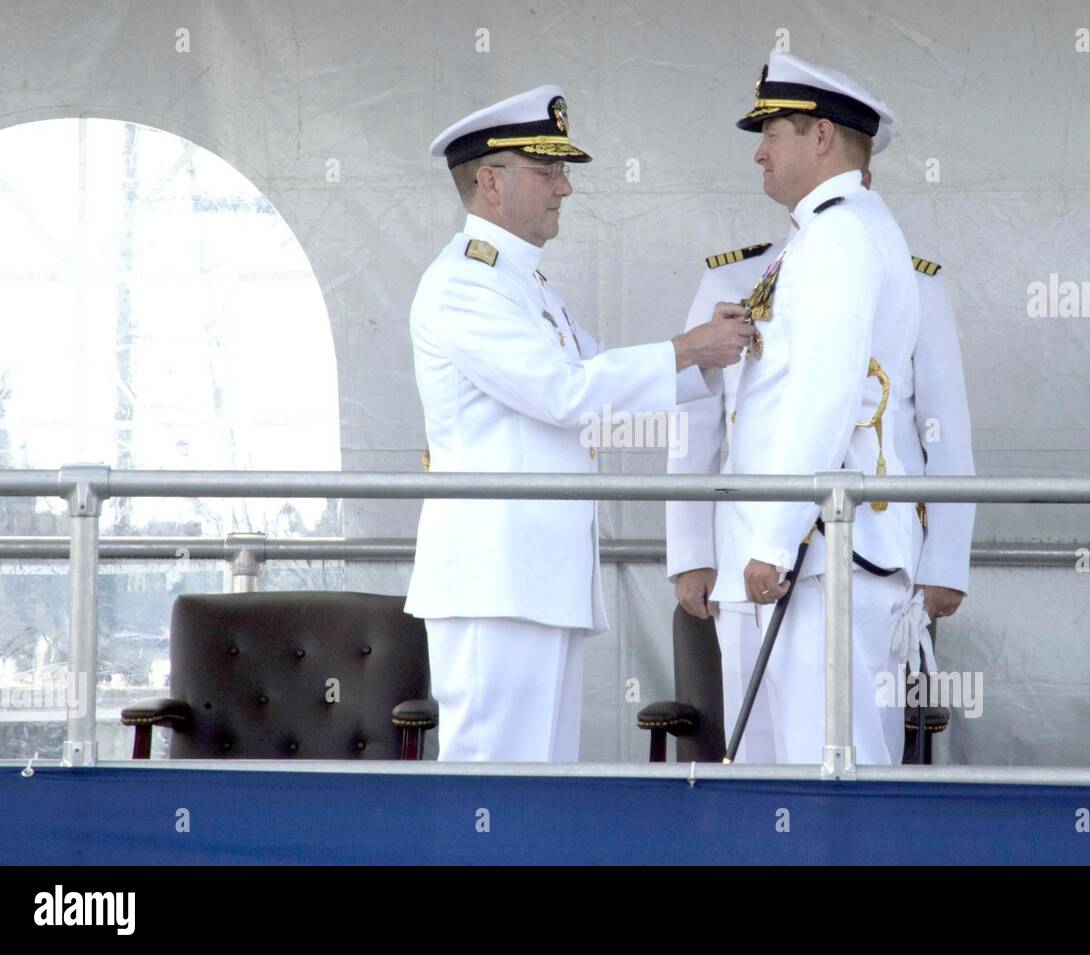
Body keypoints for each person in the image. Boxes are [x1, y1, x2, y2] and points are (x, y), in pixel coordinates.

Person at [406, 84, 753, 761]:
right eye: (548, 171)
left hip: (534, 578)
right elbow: (565, 394)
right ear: (490, 182)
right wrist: (687, 349)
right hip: (495, 582)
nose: (564, 188)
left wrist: (707, 356)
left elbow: (596, 370)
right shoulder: (465, 284)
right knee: (494, 782)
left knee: (539, 785)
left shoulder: (523, 283)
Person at [684, 51, 922, 765]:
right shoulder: (822, 233)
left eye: (773, 133)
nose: (759, 152)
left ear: (820, 136)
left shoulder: (840, 234)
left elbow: (824, 394)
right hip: (808, 556)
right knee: (780, 776)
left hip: (818, 555)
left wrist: (775, 538)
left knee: (827, 773)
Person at [669, 238, 974, 763]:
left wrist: (946, 561)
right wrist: (691, 551)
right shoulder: (735, 278)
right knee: (754, 748)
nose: (764, 153)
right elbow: (694, 428)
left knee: (855, 743)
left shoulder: (911, 280)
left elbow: (945, 432)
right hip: (742, 547)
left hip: (863, 552)